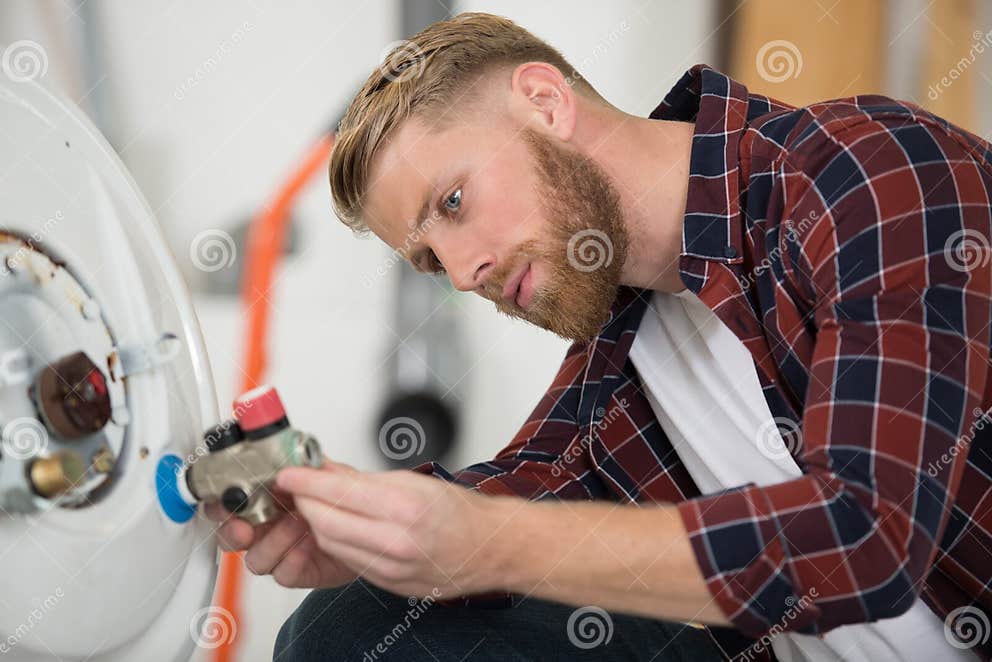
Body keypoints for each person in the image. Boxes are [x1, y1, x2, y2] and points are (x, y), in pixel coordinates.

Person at [211, 12, 992, 661]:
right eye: (427, 259)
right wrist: (355, 528)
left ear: (545, 102)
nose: (460, 272)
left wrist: (491, 538)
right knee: (346, 628)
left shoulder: (868, 173)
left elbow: (868, 537)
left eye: (452, 201)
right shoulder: (622, 347)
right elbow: (512, 494)